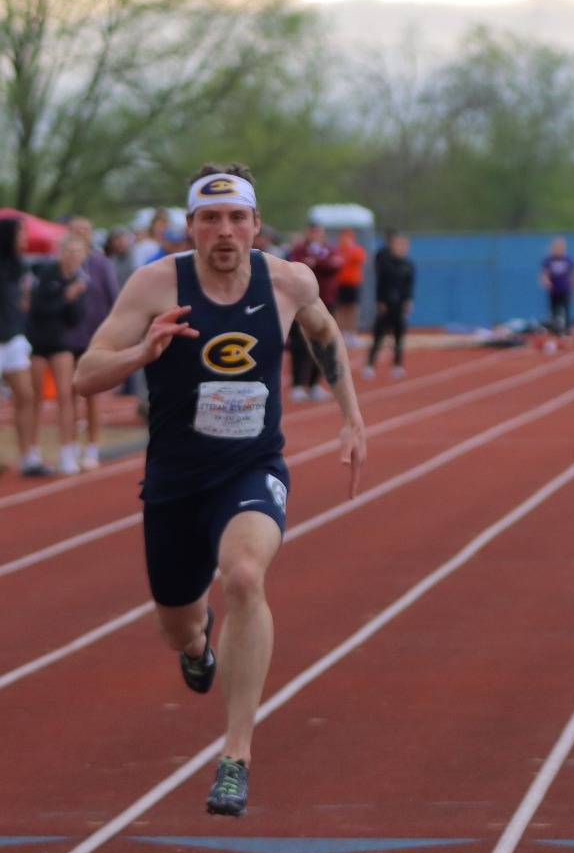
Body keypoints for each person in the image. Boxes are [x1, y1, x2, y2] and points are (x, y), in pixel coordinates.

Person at [74, 163, 367, 816]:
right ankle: (198, 643)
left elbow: (323, 334)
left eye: (237, 217)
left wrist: (351, 414)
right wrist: (141, 354)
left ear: (257, 225)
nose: (225, 230)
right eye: (210, 219)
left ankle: (235, 754)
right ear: (191, 228)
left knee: (242, 575)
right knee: (175, 622)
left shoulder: (289, 280)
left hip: (251, 466)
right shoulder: (154, 283)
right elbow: (86, 375)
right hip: (176, 480)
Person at [25, 232, 89, 476]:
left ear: (83, 256)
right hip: (37, 341)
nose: (72, 256)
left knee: (65, 394)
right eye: (68, 251)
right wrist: (66, 296)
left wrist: (73, 299)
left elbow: (75, 317)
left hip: (61, 340)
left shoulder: (81, 280)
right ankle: (31, 451)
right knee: (34, 397)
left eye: (77, 252)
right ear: (60, 252)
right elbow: (39, 307)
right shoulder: (46, 273)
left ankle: (66, 451)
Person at [64, 217, 122, 470]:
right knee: (67, 393)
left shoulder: (101, 263)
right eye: (76, 231)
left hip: (94, 336)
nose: (80, 234)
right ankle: (70, 446)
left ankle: (92, 446)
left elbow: (115, 300)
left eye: (85, 231)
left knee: (92, 394)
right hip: (65, 336)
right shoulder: (58, 266)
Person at [0, 216, 43, 477]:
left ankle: (28, 456)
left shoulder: (19, 266)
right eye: (21, 234)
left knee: (26, 396)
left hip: (14, 338)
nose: (25, 240)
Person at [286, 223, 341, 401]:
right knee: (299, 345)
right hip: (301, 303)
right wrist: (317, 264)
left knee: (322, 343)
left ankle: (315, 384)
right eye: (311, 232)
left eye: (318, 232)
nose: (315, 235)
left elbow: (335, 266)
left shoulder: (327, 250)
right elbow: (297, 268)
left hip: (325, 302)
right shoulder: (300, 250)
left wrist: (316, 263)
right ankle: (297, 385)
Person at [365, 231, 416, 380]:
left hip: (400, 305)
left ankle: (397, 365)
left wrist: (408, 300)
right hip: (386, 304)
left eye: (405, 246)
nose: (402, 248)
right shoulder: (386, 264)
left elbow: (409, 286)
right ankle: (369, 364)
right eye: (399, 245)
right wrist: (380, 301)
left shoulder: (408, 265)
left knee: (399, 337)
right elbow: (380, 284)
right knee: (378, 336)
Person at [332, 228, 367, 348]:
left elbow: (358, 259)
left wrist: (349, 251)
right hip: (340, 283)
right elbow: (337, 262)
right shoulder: (337, 250)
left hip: (353, 283)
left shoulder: (356, 250)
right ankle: (340, 333)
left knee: (352, 308)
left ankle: (351, 334)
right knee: (340, 309)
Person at [539, 236, 574, 339]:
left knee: (566, 310)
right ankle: (556, 330)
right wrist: (546, 282)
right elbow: (544, 274)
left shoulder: (567, 260)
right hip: (553, 291)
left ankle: (567, 329)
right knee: (554, 311)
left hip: (565, 289)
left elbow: (573, 275)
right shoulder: (549, 260)